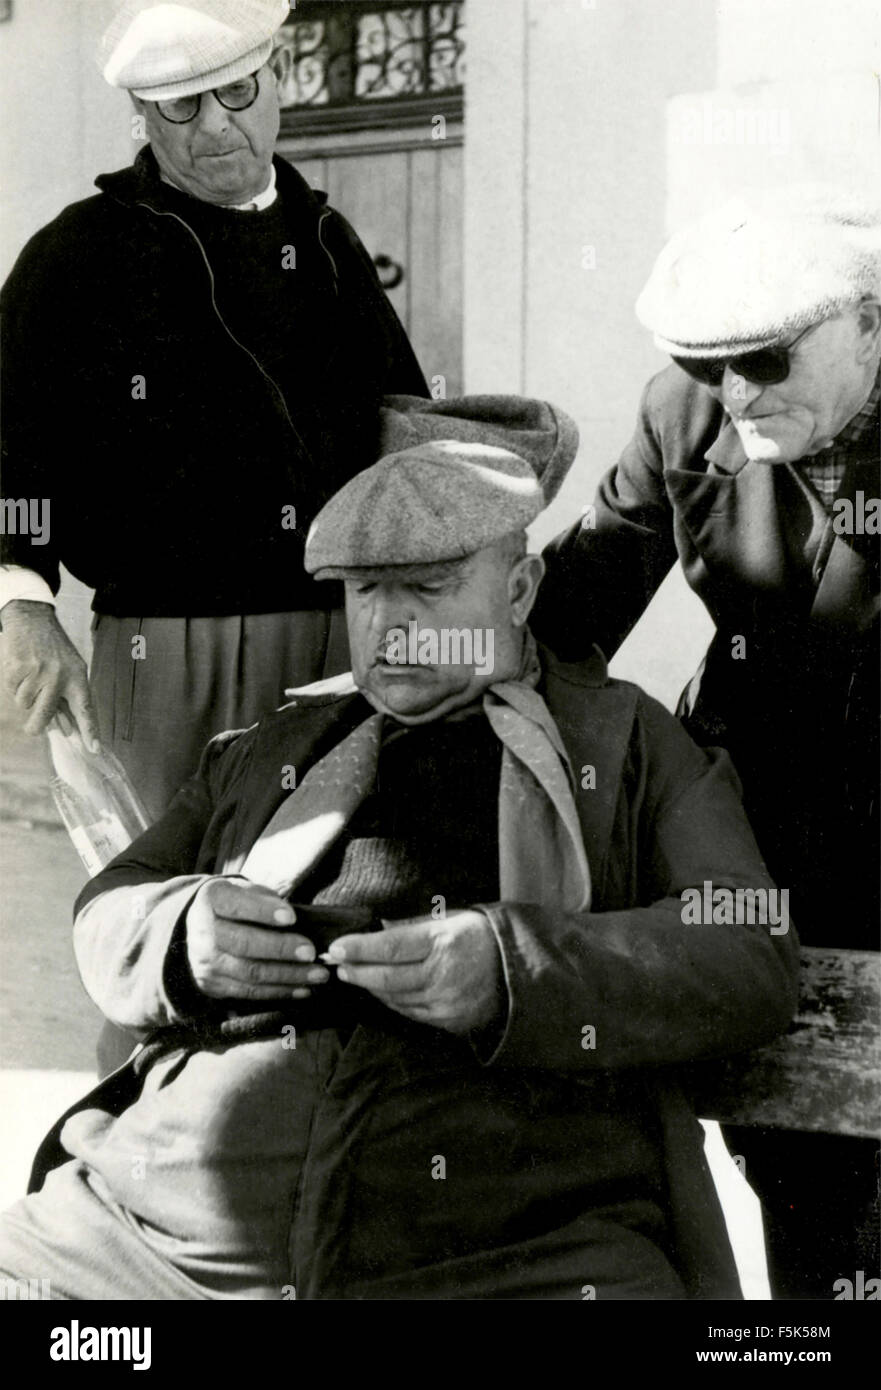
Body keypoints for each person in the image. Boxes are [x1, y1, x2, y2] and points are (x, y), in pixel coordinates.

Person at [0, 429, 798, 1301]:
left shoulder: (626, 741)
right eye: (366, 592)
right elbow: (114, 898)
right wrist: (180, 934)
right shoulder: (276, 744)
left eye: (428, 587)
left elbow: (746, 946)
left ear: (520, 588)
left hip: (503, 1250)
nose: (391, 624)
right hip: (161, 1241)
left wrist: (511, 968)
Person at [529, 185, 881, 1300]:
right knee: (803, 1170)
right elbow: (574, 605)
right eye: (702, 362)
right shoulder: (680, 416)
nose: (731, 395)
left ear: (868, 322)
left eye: (765, 360)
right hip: (767, 836)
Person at [0, 0, 427, 821]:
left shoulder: (331, 242)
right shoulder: (80, 252)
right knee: (175, 902)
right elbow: (12, 437)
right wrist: (25, 602)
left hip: (341, 636)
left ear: (277, 82)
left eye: (233, 90)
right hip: (165, 650)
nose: (213, 126)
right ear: (143, 116)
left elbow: (401, 422)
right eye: (180, 105)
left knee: (340, 891)